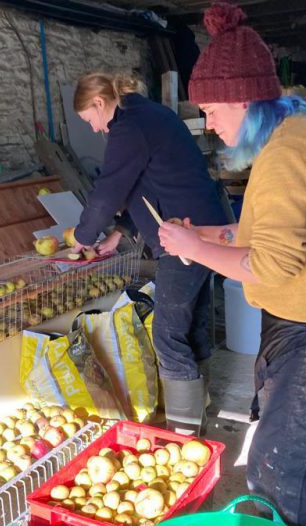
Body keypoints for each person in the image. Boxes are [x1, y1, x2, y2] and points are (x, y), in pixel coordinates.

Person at [157, 3, 306, 526]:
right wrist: (202, 235)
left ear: (243, 99)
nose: (208, 122)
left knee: (282, 479)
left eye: (212, 110)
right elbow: (265, 235)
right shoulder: (290, 139)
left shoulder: (285, 156)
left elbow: (269, 265)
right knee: (297, 466)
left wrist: (193, 250)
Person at [71, 72, 231, 436]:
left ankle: (183, 436)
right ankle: (199, 411)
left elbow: (109, 190)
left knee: (168, 335)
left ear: (99, 103)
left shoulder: (128, 126)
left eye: (90, 120)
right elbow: (146, 185)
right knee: (193, 323)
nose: (95, 129)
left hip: (184, 236)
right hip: (202, 227)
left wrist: (82, 236)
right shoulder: (148, 116)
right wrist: (120, 233)